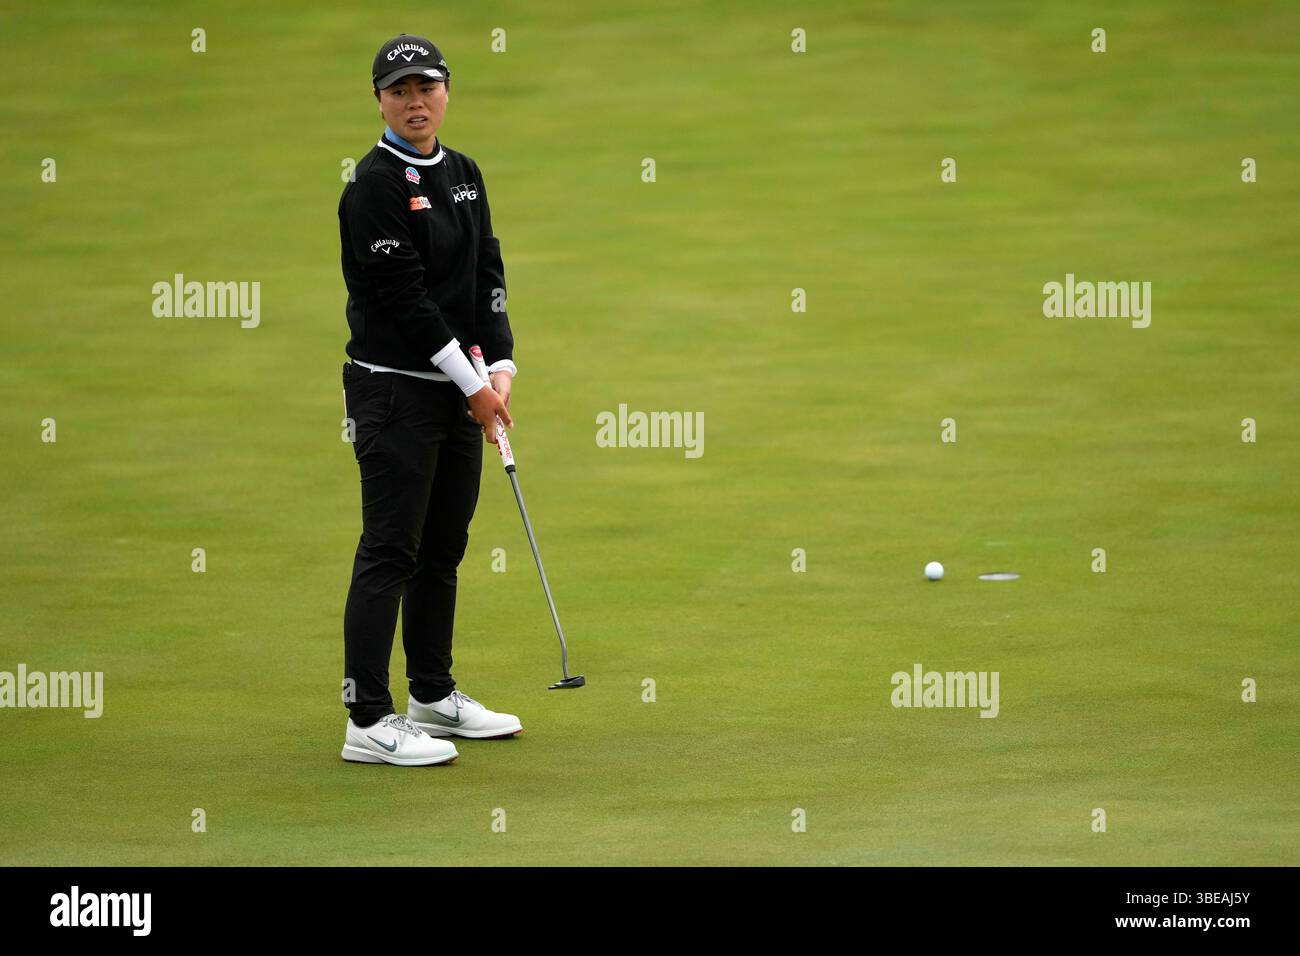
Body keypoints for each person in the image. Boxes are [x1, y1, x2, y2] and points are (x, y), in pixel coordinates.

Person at [337, 34, 522, 766]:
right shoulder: (373, 184)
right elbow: (407, 303)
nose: (416, 102)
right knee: (390, 549)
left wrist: (500, 367)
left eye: (427, 87)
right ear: (380, 100)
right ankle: (367, 719)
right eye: (400, 91)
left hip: (458, 394)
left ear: (446, 90)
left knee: (443, 548)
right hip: (393, 394)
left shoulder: (465, 173)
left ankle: (432, 696)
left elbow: (486, 276)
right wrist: (475, 385)